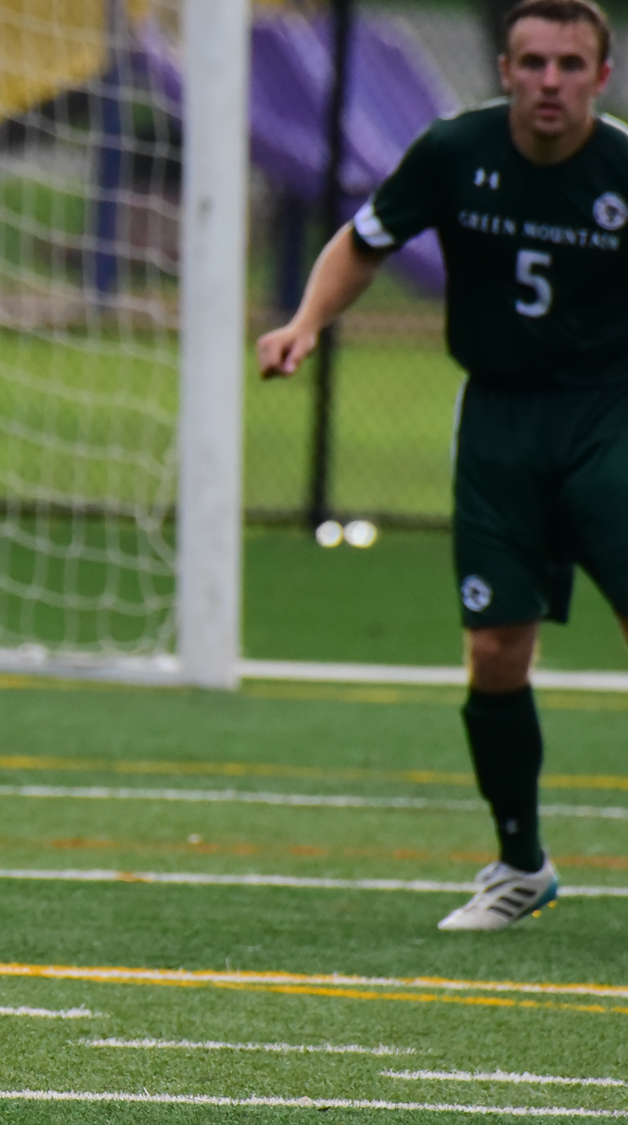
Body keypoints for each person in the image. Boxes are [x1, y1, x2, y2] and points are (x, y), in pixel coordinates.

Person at [257, 0, 628, 931]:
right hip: (498, 429)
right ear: (504, 69)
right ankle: (520, 864)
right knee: (496, 653)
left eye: (571, 65)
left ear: (603, 75)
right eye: (534, 62)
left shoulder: (625, 168)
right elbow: (363, 240)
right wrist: (305, 323)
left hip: (608, 422)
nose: (552, 81)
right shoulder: (453, 153)